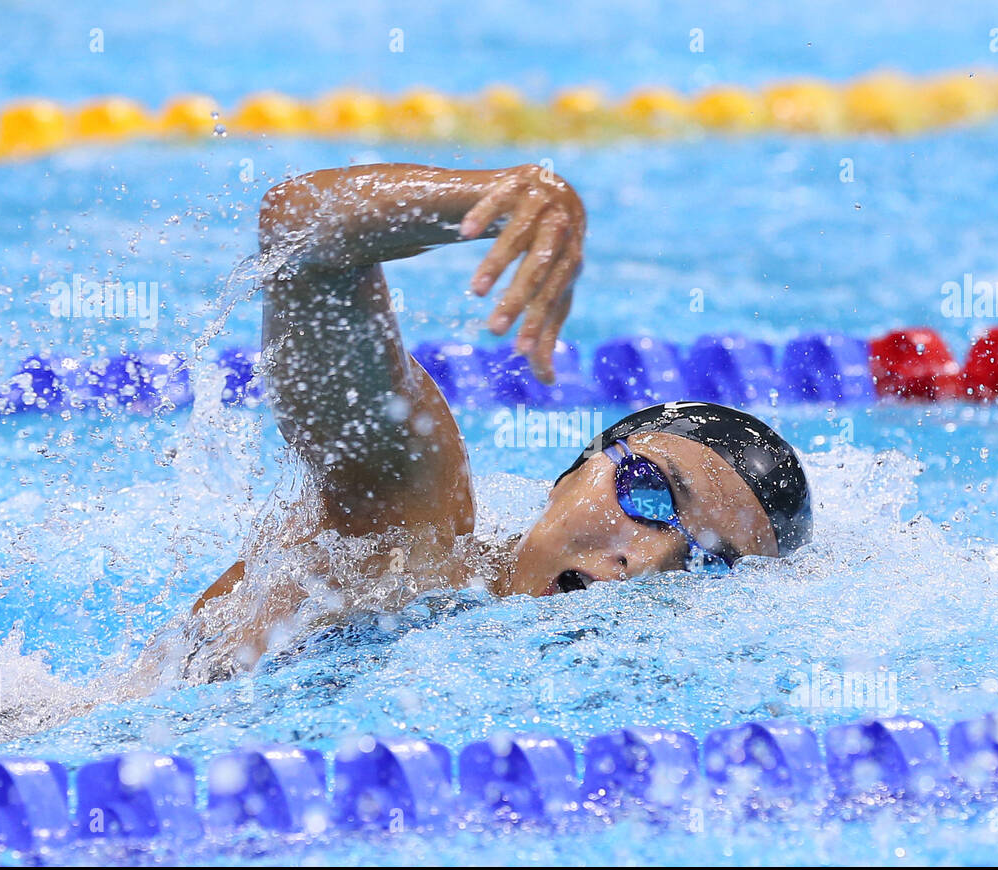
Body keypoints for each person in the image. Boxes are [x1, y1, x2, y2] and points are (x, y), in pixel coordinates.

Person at [151, 163, 812, 685]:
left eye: (706, 564)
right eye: (650, 492)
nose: (641, 561)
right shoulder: (407, 538)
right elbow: (300, 238)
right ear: (579, 466)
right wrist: (495, 194)